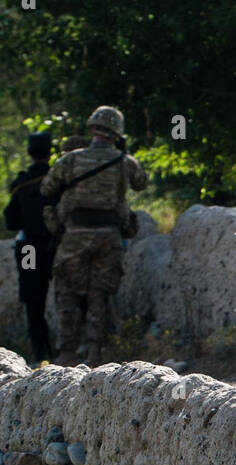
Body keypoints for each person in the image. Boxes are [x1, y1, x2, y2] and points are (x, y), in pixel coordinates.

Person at [39, 106, 146, 367]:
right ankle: (95, 352)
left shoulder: (72, 159)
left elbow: (46, 188)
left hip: (75, 234)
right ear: (117, 133)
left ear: (91, 129)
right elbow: (141, 183)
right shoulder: (124, 161)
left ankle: (67, 353)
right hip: (109, 236)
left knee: (67, 291)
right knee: (100, 292)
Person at [4, 132, 56, 362]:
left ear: (29, 153)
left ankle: (40, 353)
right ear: (50, 152)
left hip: (29, 249)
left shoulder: (21, 184)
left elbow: (11, 221)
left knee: (33, 299)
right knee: (70, 295)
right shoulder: (59, 179)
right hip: (56, 244)